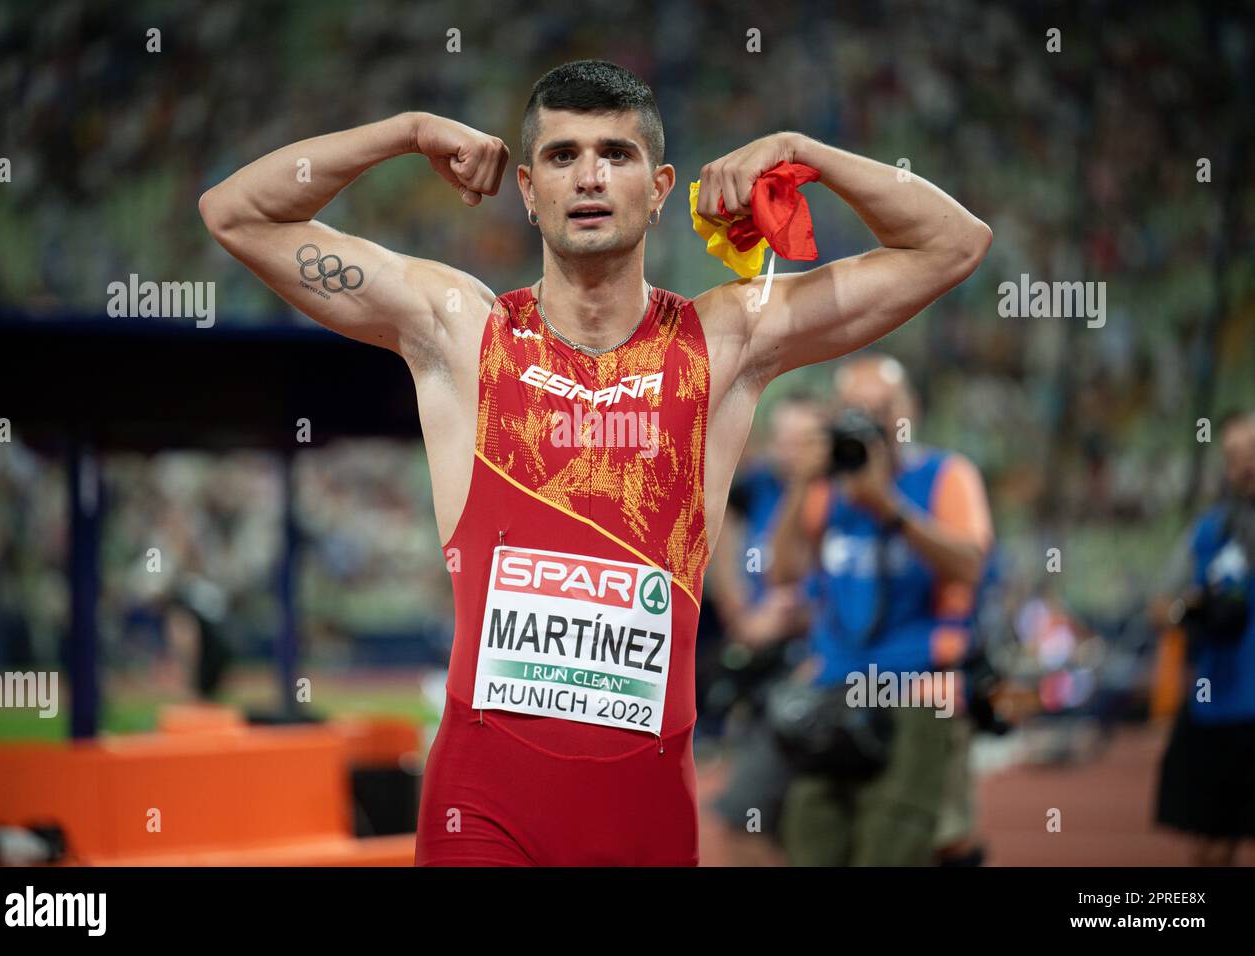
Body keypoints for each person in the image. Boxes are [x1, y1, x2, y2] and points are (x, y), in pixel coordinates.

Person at [198, 59, 991, 866]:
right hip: (485, 804)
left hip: (643, 811)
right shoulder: (461, 333)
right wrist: (404, 133)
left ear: (659, 188)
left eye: (616, 154)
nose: (588, 177)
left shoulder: (726, 342)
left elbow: (954, 244)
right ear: (528, 189)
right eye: (561, 154)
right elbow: (236, 215)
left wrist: (801, 151)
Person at [770, 354, 993, 866]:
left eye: (881, 409)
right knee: (812, 837)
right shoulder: (827, 488)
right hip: (833, 688)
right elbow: (783, 572)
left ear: (909, 410)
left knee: (895, 843)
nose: (869, 423)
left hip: (917, 689)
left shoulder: (945, 475)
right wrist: (803, 483)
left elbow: (970, 566)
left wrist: (888, 508)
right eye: (854, 410)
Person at [706, 393, 824, 863]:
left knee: (765, 818)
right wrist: (744, 616)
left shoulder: (840, 493)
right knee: (760, 821)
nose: (791, 452)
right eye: (784, 440)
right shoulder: (754, 488)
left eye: (804, 441)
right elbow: (726, 557)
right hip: (761, 670)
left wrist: (798, 617)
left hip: (814, 671)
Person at [1153, 410, 1255, 865]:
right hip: (1217, 706)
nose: (1244, 467)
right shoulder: (1210, 529)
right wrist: (1188, 610)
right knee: (1211, 844)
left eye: (1251, 454)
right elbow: (1162, 606)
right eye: (1234, 456)